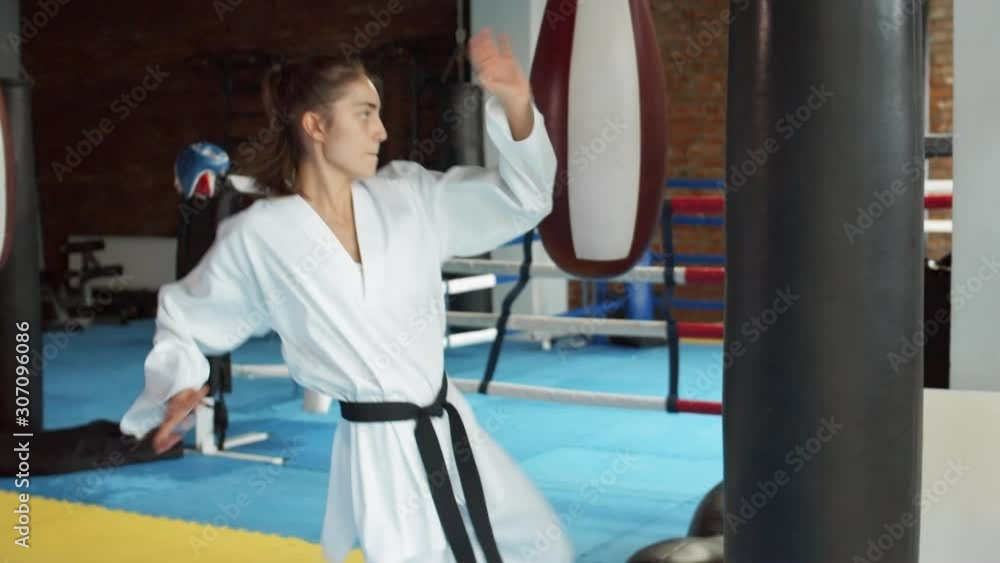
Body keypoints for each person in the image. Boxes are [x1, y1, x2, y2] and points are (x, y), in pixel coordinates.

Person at [119, 28, 575, 563]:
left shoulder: (409, 196)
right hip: (380, 457)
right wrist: (179, 380)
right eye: (364, 113)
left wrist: (516, 104)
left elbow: (524, 197)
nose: (381, 131)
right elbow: (185, 317)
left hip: (455, 432)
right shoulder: (263, 236)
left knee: (540, 548)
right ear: (315, 124)